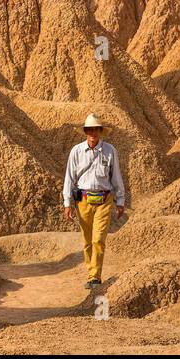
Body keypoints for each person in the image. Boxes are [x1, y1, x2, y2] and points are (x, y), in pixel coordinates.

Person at [61, 113, 126, 288]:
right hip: (83, 201)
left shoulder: (110, 151)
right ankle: (91, 272)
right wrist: (67, 203)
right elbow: (69, 177)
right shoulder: (76, 151)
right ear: (85, 131)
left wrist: (120, 200)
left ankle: (95, 276)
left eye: (96, 129)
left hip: (104, 200)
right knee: (87, 240)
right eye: (89, 129)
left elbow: (116, 177)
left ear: (100, 131)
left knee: (98, 239)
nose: (92, 133)